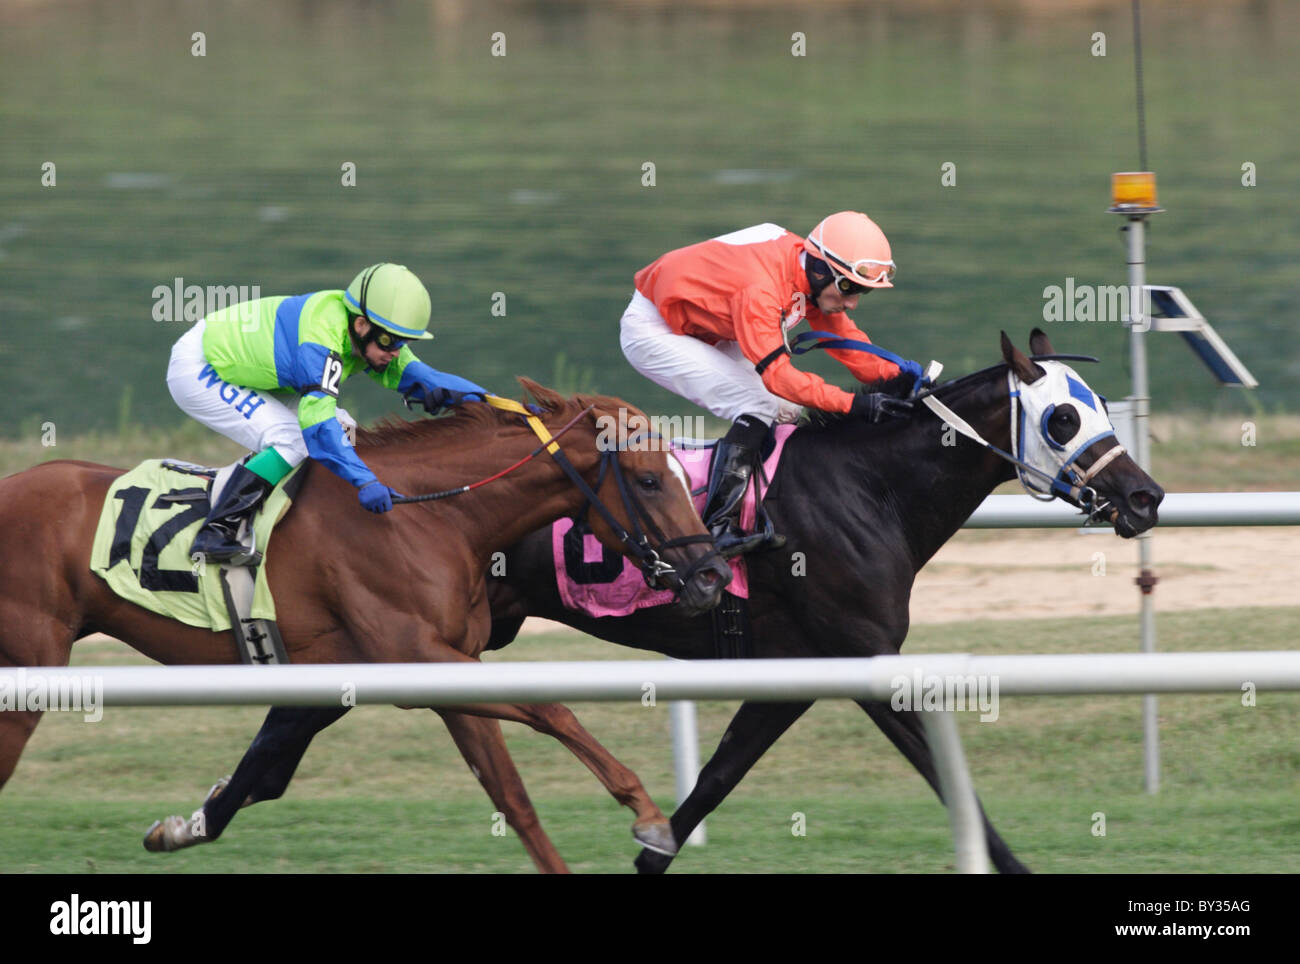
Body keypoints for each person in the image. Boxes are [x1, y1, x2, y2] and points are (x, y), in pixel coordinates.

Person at [620, 212, 918, 557]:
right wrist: (854, 405)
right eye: (849, 288)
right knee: (760, 405)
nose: (852, 302)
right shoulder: (761, 288)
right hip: (654, 330)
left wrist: (901, 378)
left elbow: (846, 340)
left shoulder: (808, 273)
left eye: (861, 291)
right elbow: (778, 376)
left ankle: (767, 507)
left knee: (787, 411)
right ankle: (717, 527)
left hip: (711, 325)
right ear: (820, 269)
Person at [166, 262, 488, 563]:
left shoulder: (367, 333)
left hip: (252, 371)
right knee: (293, 438)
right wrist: (364, 481)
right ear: (361, 324)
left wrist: (494, 403)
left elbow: (426, 379)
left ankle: (308, 518)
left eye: (404, 342)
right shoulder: (321, 338)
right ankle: (216, 531)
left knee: (345, 427)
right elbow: (316, 425)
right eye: (391, 341)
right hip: (201, 367)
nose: (395, 352)